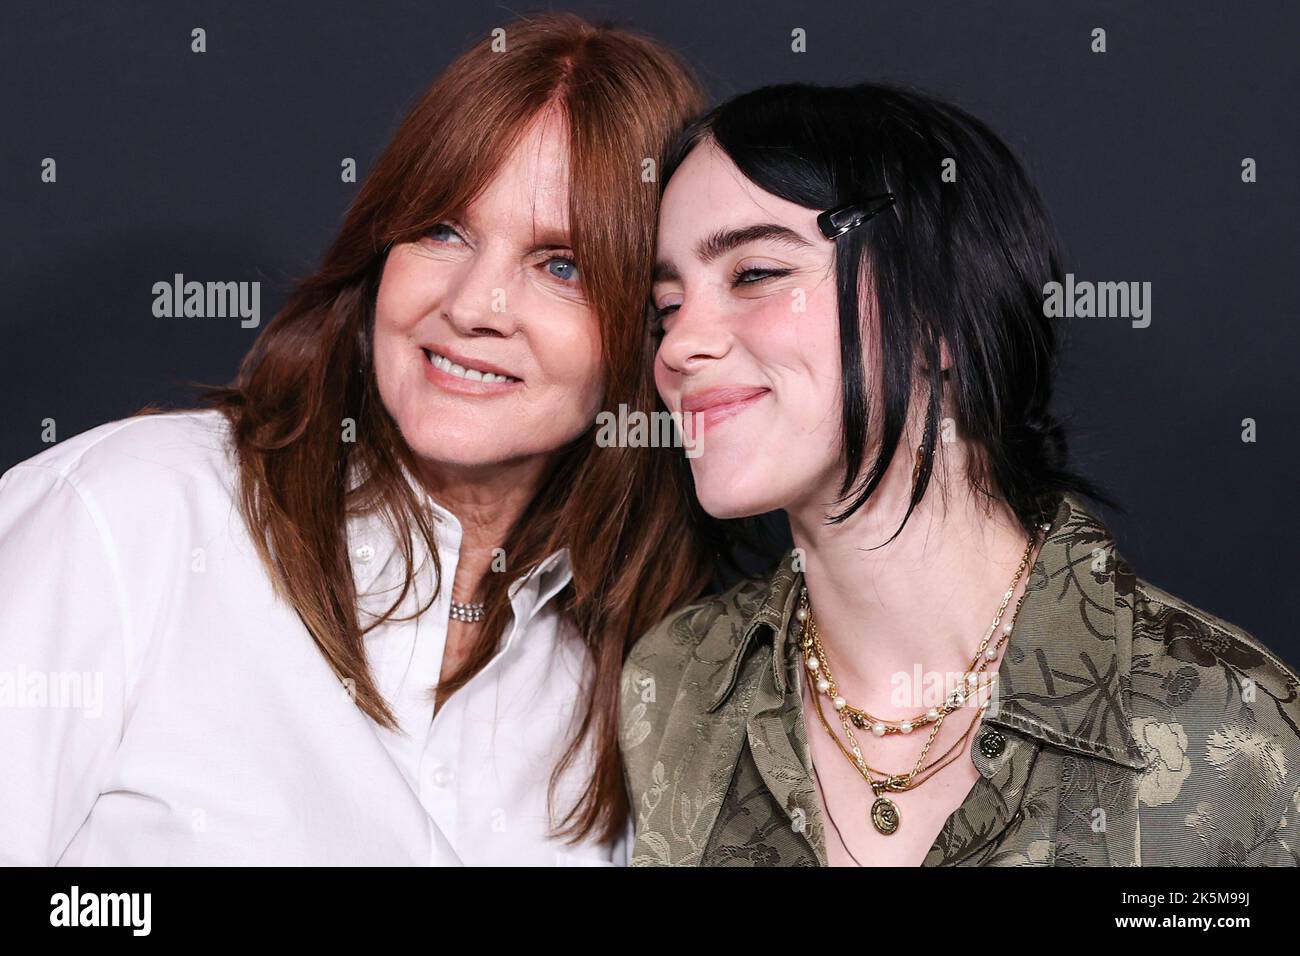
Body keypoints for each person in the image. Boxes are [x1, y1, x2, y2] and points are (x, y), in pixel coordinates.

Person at [0, 13, 710, 865]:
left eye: (562, 265)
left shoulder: (647, 686)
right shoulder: (136, 513)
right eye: (442, 229)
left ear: (649, 321)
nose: (472, 306)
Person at [620, 82, 1300, 866]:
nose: (677, 347)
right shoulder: (672, 686)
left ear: (937, 312)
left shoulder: (1234, 733)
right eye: (666, 307)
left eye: (756, 273)